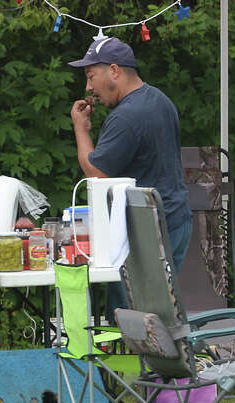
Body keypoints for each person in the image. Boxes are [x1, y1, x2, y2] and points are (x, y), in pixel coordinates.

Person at [67, 36, 191, 316]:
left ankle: (132, 360)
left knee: (131, 316)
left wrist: (81, 129)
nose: (88, 87)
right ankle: (161, 358)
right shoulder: (160, 100)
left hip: (146, 232)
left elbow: (96, 174)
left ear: (114, 70)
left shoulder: (127, 116)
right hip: (176, 219)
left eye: (91, 76)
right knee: (162, 312)